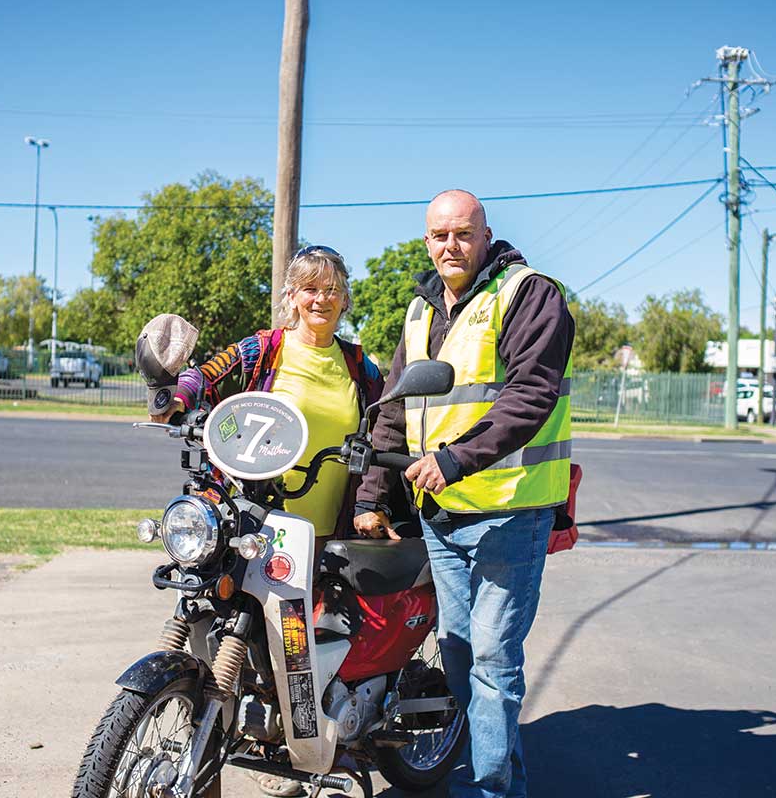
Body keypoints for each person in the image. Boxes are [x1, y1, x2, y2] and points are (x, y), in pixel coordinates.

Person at [355, 190, 574, 798]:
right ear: (426, 240)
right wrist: (372, 495)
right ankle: (501, 778)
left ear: (485, 235)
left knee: (492, 664)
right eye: (438, 235)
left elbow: (530, 395)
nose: (450, 246)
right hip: (442, 515)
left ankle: (493, 792)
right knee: (459, 662)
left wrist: (454, 460)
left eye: (462, 234)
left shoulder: (530, 294)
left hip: (509, 511)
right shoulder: (421, 309)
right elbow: (393, 411)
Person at [146, 245, 384, 797]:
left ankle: (315, 748)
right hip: (257, 515)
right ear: (292, 298)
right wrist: (176, 400)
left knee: (310, 641)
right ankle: (238, 740)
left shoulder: (359, 365)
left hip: (327, 525)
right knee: (232, 620)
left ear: (344, 298)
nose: (321, 298)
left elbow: (386, 418)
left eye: (331, 289)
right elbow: (207, 375)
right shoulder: (268, 348)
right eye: (309, 288)